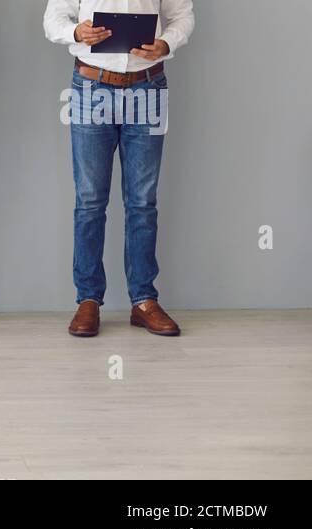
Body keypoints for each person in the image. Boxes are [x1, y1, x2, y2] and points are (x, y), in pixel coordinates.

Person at [45, 0, 194, 337]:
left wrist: (166, 43)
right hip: (90, 87)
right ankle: (88, 301)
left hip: (148, 85)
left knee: (142, 201)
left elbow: (183, 15)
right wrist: (76, 31)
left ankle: (143, 300)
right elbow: (53, 18)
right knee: (90, 201)